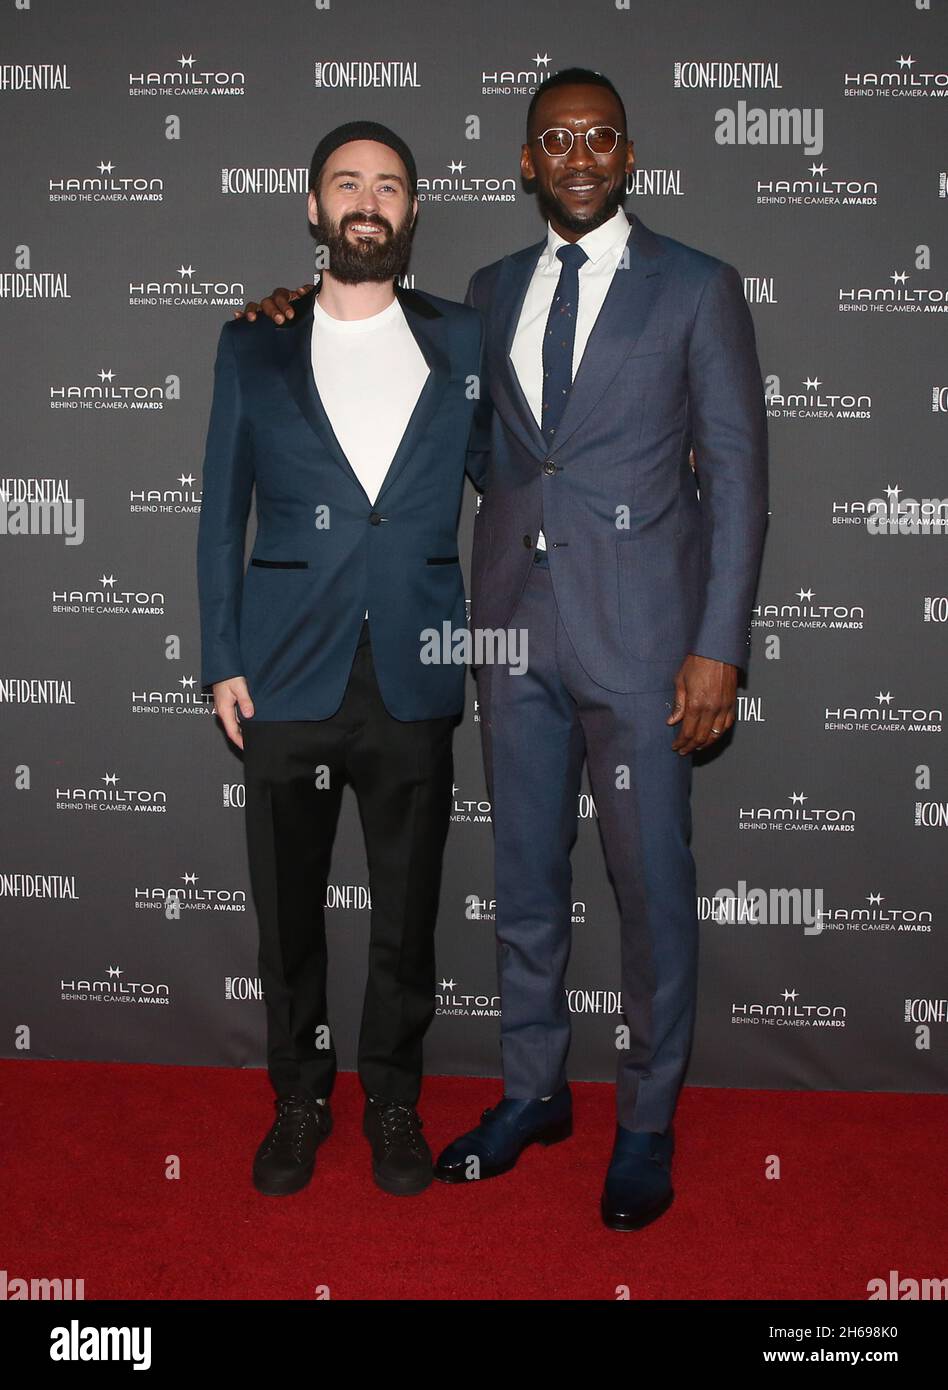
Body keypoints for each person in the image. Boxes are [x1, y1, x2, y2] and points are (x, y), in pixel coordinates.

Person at [241, 67, 769, 1231]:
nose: (577, 154)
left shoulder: (697, 287)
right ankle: (534, 1093)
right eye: (553, 139)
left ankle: (643, 1121)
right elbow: (439, 414)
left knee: (650, 891)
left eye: (599, 136)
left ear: (627, 156)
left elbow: (737, 479)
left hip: (646, 650)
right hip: (509, 642)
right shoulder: (485, 295)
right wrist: (291, 307)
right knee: (525, 889)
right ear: (527, 163)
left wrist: (718, 645)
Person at [197, 121, 484, 1199]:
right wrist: (221, 653)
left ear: (413, 214)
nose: (369, 201)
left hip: (414, 669)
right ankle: (301, 1097)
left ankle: (395, 1099)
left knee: (408, 915)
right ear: (314, 209)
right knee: (290, 915)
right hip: (281, 675)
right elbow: (218, 512)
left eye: (392, 186)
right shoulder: (251, 344)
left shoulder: (462, 342)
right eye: (348, 184)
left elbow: (519, 478)